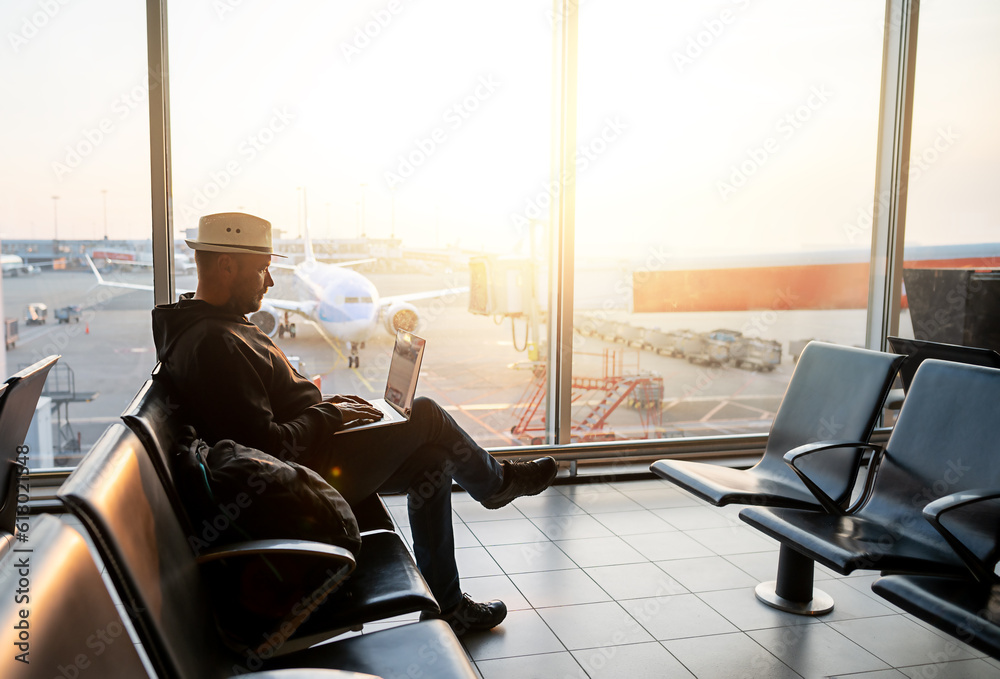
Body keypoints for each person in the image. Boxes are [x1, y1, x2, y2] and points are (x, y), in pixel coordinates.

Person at [151, 212, 558, 634]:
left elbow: (266, 428)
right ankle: (496, 485)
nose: (270, 282)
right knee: (426, 413)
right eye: (262, 269)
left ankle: (449, 606)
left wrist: (335, 410)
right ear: (227, 266)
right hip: (300, 483)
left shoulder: (215, 327)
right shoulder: (215, 345)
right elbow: (270, 450)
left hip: (307, 464)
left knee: (433, 462)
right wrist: (330, 414)